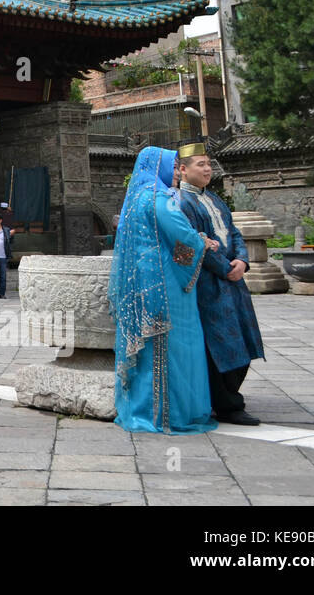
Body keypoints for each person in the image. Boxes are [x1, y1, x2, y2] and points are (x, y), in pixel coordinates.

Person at [109, 145, 219, 434]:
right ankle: (169, 414)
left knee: (147, 348)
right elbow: (182, 236)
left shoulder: (134, 200)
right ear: (157, 168)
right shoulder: (159, 199)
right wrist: (202, 241)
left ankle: (141, 409)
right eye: (171, 167)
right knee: (174, 346)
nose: (173, 173)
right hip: (164, 283)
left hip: (139, 282)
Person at [176, 138, 265, 426]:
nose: (207, 169)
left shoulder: (214, 199)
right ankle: (227, 404)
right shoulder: (181, 202)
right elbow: (191, 243)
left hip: (234, 281)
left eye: (209, 164)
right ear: (182, 169)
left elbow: (234, 232)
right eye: (200, 164)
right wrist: (226, 268)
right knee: (220, 344)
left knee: (244, 339)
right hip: (208, 284)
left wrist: (242, 260)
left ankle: (229, 398)